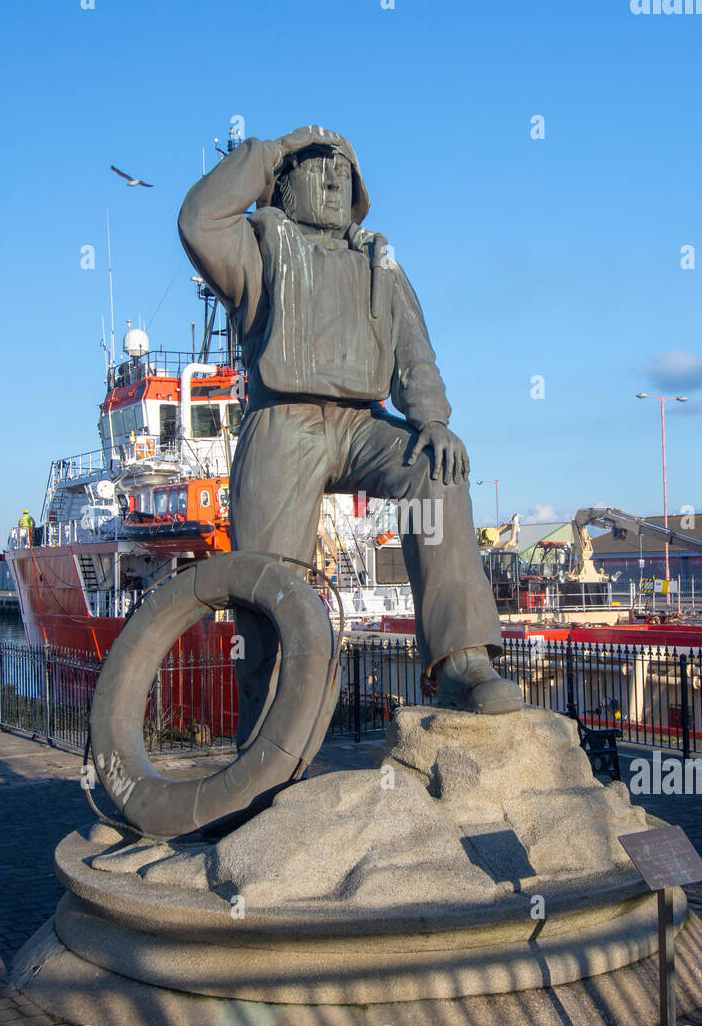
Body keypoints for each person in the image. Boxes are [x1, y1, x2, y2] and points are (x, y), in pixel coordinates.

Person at [178, 126, 522, 745]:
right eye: (319, 169)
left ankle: (461, 661)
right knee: (267, 580)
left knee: (435, 470)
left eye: (346, 172)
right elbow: (197, 219)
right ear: (284, 184)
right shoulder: (259, 248)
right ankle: (269, 737)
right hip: (283, 420)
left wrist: (433, 421)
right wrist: (270, 151)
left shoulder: (378, 261)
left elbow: (416, 356)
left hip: (363, 422)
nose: (337, 180)